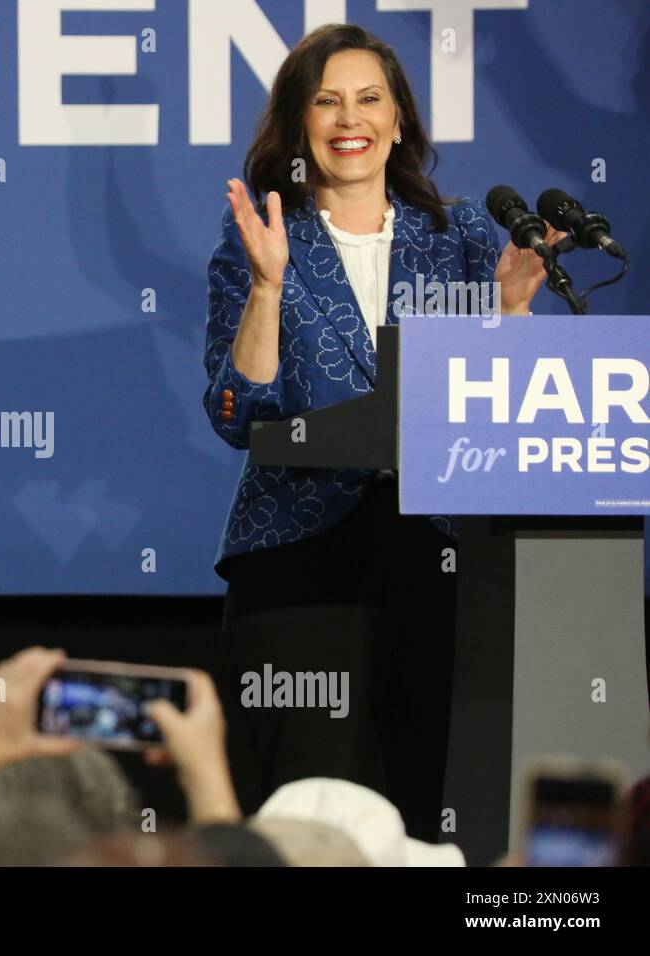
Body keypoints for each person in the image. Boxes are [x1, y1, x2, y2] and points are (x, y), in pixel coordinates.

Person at [202, 25, 561, 840]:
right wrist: (267, 286)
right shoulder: (259, 235)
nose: (348, 118)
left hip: (440, 562)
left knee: (435, 800)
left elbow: (491, 409)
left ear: (399, 122)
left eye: (369, 99)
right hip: (300, 561)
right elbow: (237, 415)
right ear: (299, 124)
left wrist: (507, 314)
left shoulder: (465, 235)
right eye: (326, 100)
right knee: (311, 815)